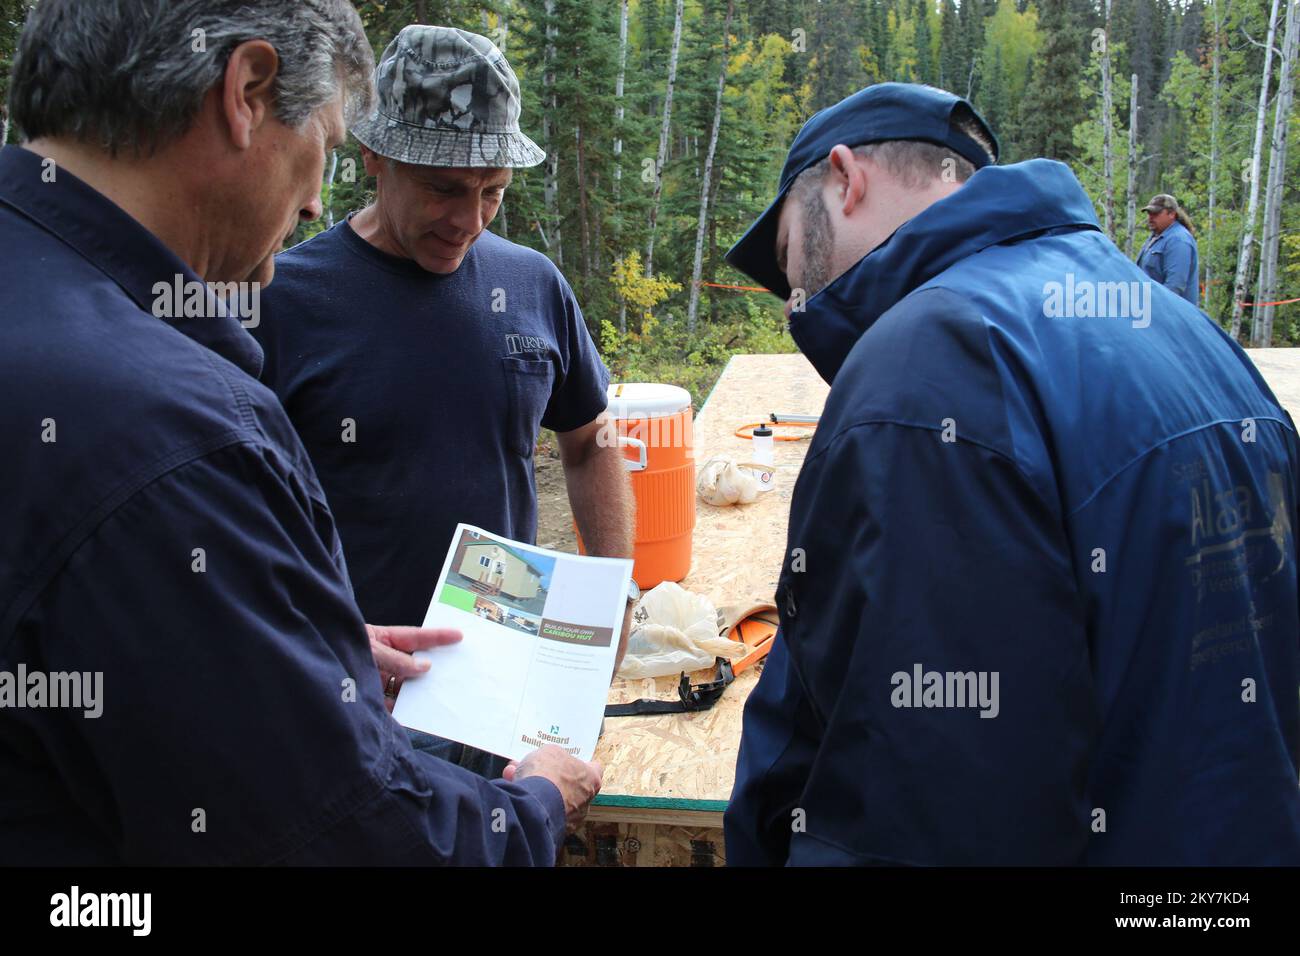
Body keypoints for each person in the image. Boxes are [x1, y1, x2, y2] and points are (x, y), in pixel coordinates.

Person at [0, 0, 600, 865]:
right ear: (247, 91)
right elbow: (347, 833)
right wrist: (533, 807)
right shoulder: (168, 427)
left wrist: (277, 639)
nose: (316, 197)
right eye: (320, 141)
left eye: (492, 194)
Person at [722, 82, 1300, 865]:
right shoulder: (1189, 335)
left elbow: (920, 815)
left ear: (846, 178)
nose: (796, 305)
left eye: (792, 258)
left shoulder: (928, 370)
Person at [252, 26, 634, 775]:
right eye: (444, 190)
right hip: (358, 698)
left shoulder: (531, 286)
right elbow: (239, 514)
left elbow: (590, 441)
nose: (469, 220)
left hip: (506, 688)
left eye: (493, 192)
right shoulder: (286, 302)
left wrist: (618, 595)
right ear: (374, 159)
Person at [1135, 193, 1200, 305]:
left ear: (1172, 214)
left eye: (1156, 213)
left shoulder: (1178, 240)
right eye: (1149, 213)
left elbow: (1175, 286)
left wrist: (1157, 311)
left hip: (1171, 315)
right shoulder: (1157, 236)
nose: (1150, 217)